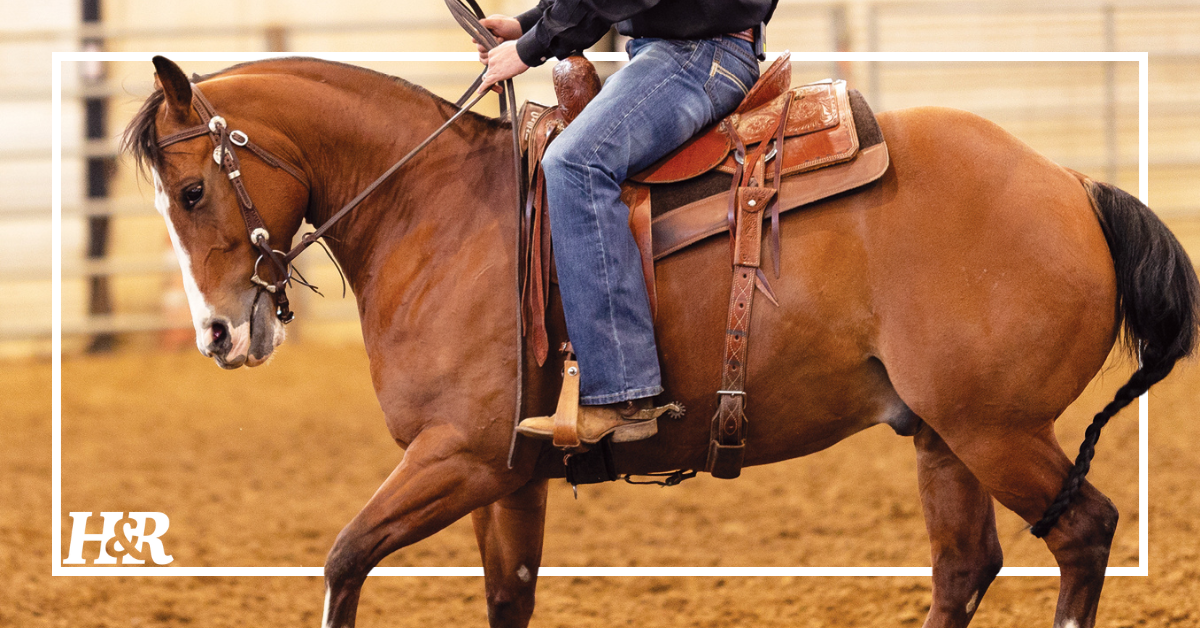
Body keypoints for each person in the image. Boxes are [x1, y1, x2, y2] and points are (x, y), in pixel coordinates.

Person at [475, 0, 777, 444]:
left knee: (576, 162)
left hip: (696, 55)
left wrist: (530, 47)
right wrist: (529, 24)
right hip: (676, 51)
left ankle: (621, 393)